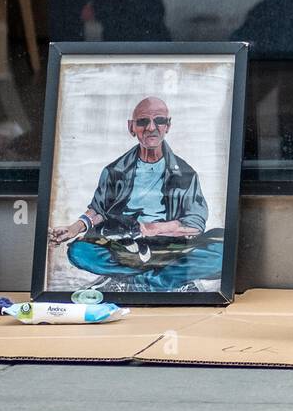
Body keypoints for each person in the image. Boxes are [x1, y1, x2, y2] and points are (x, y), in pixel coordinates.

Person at [48, 97, 223, 293]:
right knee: (79, 252)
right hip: (125, 246)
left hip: (169, 247)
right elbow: (98, 211)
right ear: (132, 127)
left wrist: (152, 229)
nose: (151, 127)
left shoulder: (185, 174)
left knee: (222, 251)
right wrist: (73, 229)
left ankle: (132, 282)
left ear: (168, 126)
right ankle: (165, 280)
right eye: (142, 121)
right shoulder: (114, 171)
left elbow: (195, 224)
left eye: (159, 120)